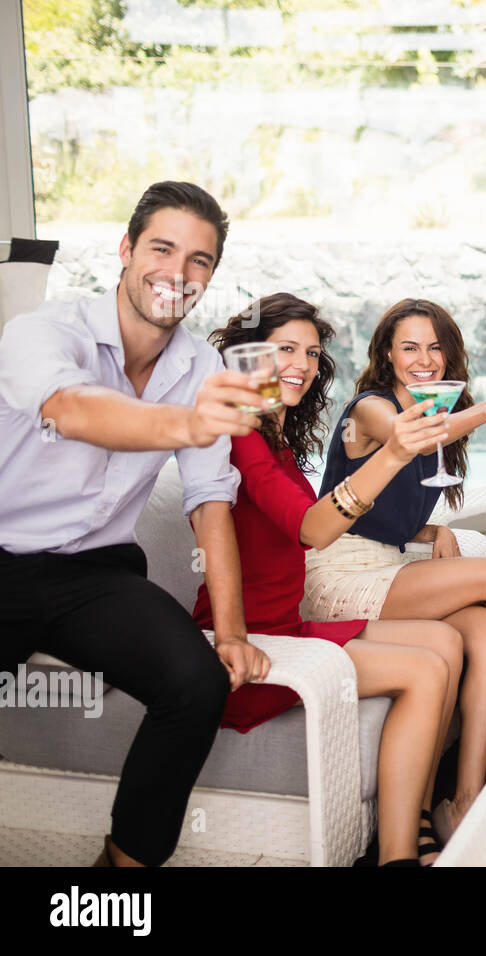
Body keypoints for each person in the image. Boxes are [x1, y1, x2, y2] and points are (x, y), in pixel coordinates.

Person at [0, 181, 271, 867]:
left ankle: (119, 875)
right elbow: (74, 410)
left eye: (200, 261)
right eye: (162, 248)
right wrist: (184, 422)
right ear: (126, 250)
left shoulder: (201, 367)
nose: (177, 274)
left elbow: (210, 501)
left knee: (196, 683)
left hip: (96, 573)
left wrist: (232, 633)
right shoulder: (40, 333)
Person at [199, 293, 465, 866]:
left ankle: (414, 819)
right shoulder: (240, 436)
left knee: (447, 641)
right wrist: (391, 454)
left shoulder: (277, 437)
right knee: (425, 669)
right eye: (284, 349)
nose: (301, 363)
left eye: (312, 353)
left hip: (288, 626)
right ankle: (398, 856)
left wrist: (419, 525)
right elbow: (313, 531)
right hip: (252, 647)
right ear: (246, 357)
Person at [302, 297, 486, 842]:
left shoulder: (438, 413)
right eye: (410, 347)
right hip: (338, 570)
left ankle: (464, 798)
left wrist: (434, 531)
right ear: (386, 353)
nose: (424, 359)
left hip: (384, 561)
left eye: (435, 347)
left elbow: (389, 514)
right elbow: (416, 433)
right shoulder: (371, 409)